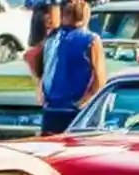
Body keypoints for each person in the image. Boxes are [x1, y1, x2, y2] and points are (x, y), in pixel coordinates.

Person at [29, 0, 103, 135]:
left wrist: (40, 88)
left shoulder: (52, 37)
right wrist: (84, 101)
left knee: (51, 148)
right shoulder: (91, 39)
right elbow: (100, 79)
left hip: (51, 108)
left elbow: (30, 56)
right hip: (76, 110)